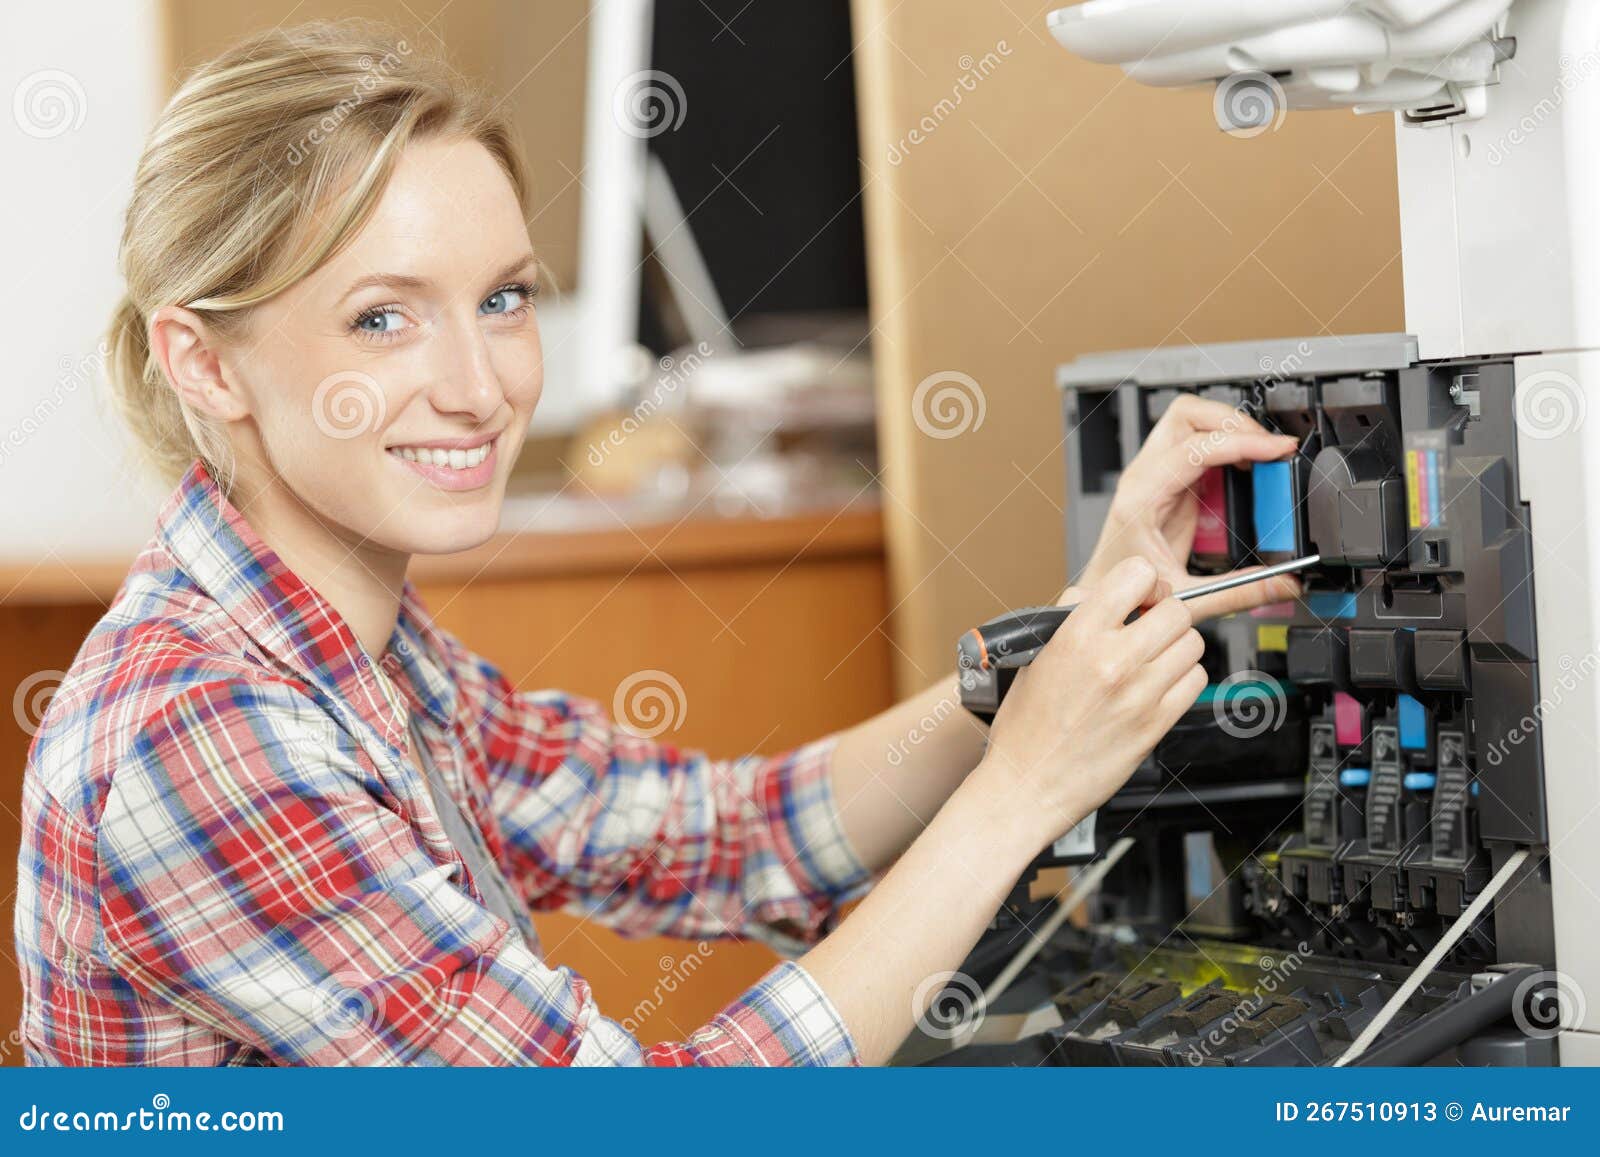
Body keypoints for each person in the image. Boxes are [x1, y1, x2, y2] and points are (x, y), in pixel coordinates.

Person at [14, 21, 1301, 1067]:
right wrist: (1021, 789)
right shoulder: (205, 735)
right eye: (382, 318)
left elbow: (725, 834)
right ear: (204, 361)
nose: (479, 387)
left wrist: (1077, 625)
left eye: (502, 299)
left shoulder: (358, 652)